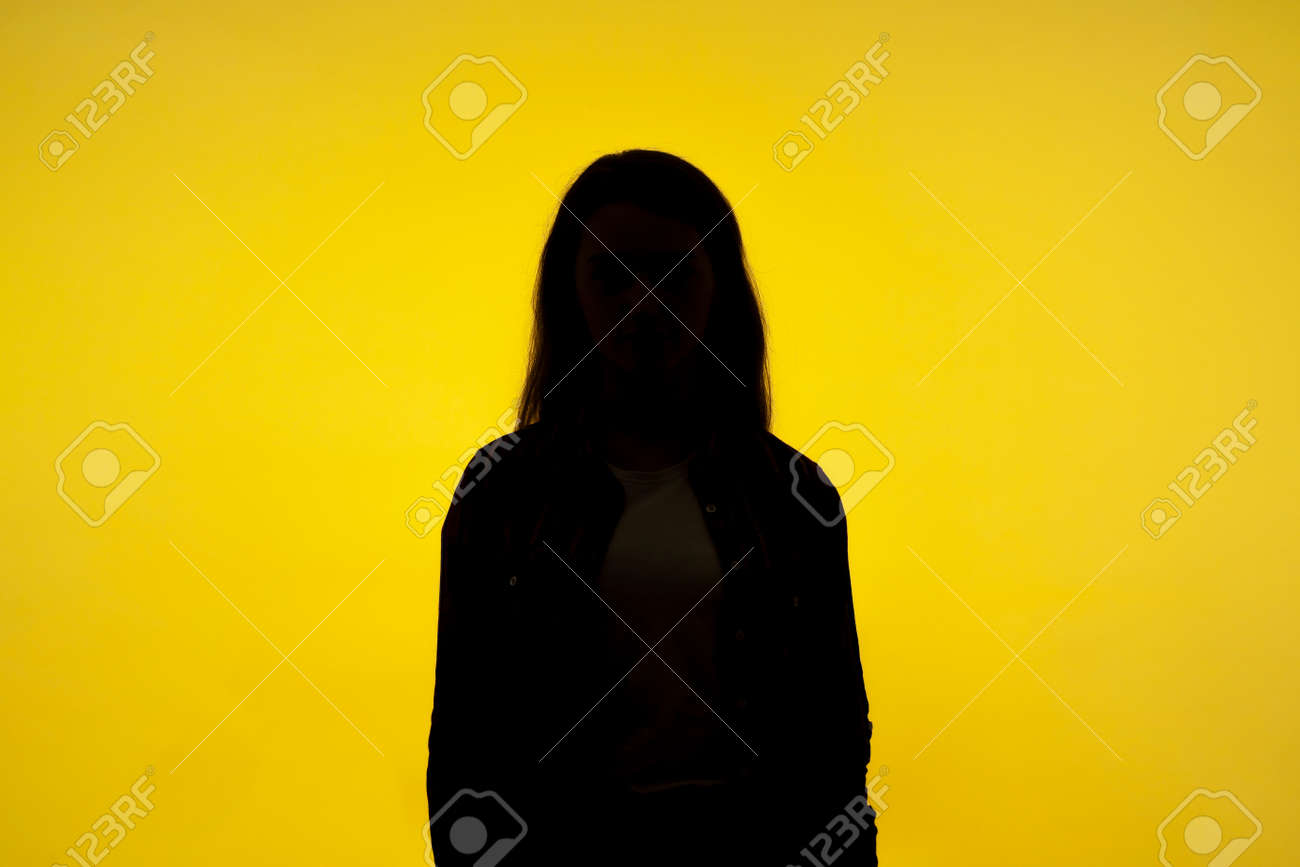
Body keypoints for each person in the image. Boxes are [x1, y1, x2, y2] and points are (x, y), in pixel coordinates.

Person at [426, 149, 877, 866]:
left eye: (673, 274)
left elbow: (834, 738)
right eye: (611, 275)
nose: (643, 303)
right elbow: (466, 739)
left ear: (717, 289)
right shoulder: (504, 491)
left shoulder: (791, 494)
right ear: (570, 292)